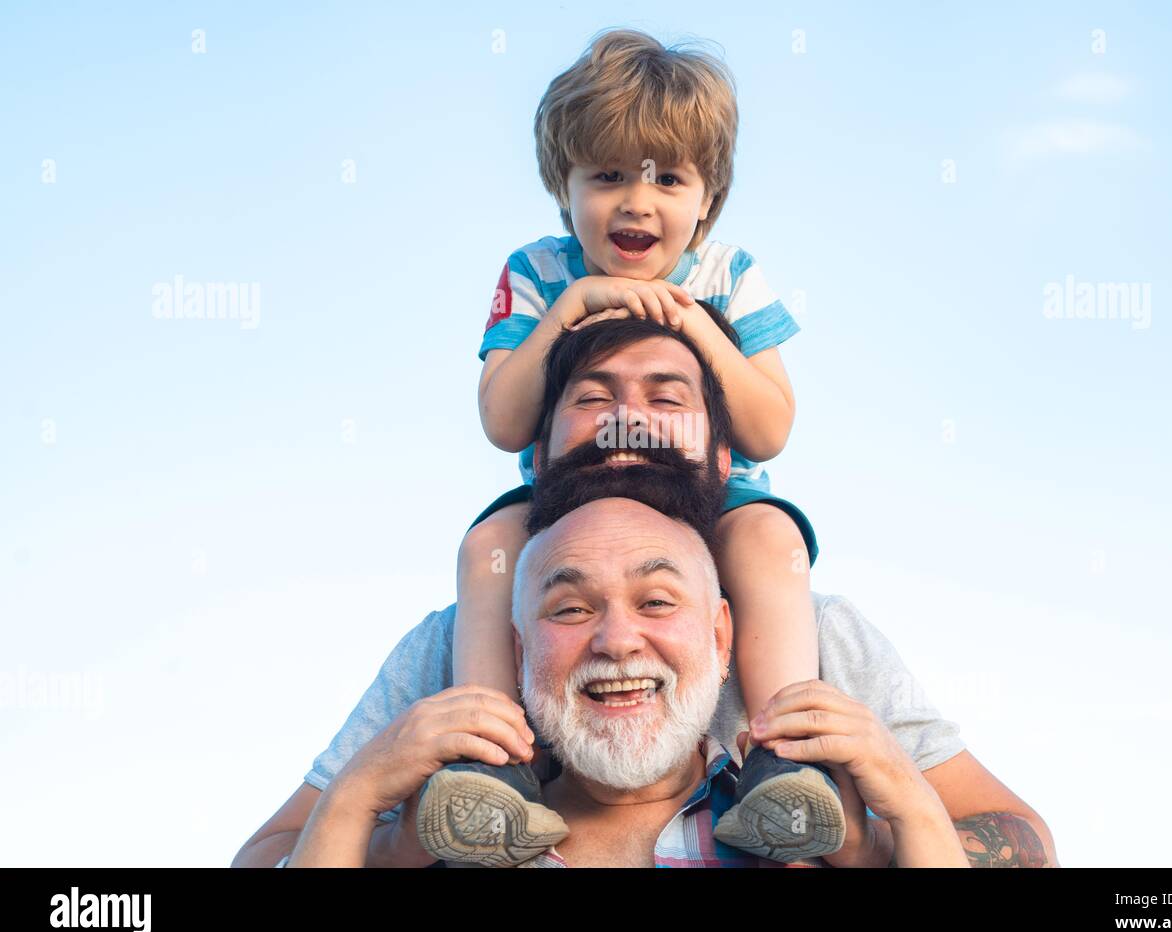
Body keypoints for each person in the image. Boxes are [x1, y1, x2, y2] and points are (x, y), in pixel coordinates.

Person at [232, 317, 1058, 868]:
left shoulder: (817, 635)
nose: (628, 418)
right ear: (539, 457)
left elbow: (1021, 838)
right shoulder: (447, 649)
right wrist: (372, 804)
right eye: (593, 398)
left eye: (666, 397)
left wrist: (893, 807)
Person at [449, 26, 844, 865]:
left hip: (702, 491)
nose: (638, 200)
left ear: (708, 199)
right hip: (569, 499)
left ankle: (781, 762)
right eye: (609, 176)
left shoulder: (726, 275)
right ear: (565, 188)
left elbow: (770, 424)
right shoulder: (536, 270)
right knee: (488, 545)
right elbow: (503, 420)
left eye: (669, 178)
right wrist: (568, 309)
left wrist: (702, 332)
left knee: (771, 538)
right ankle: (490, 772)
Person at [287, 498, 970, 868]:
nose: (616, 640)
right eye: (571, 609)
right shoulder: (444, 841)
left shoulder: (803, 836)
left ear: (723, 637)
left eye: (657, 601)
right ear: (519, 653)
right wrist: (354, 796)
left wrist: (909, 808)